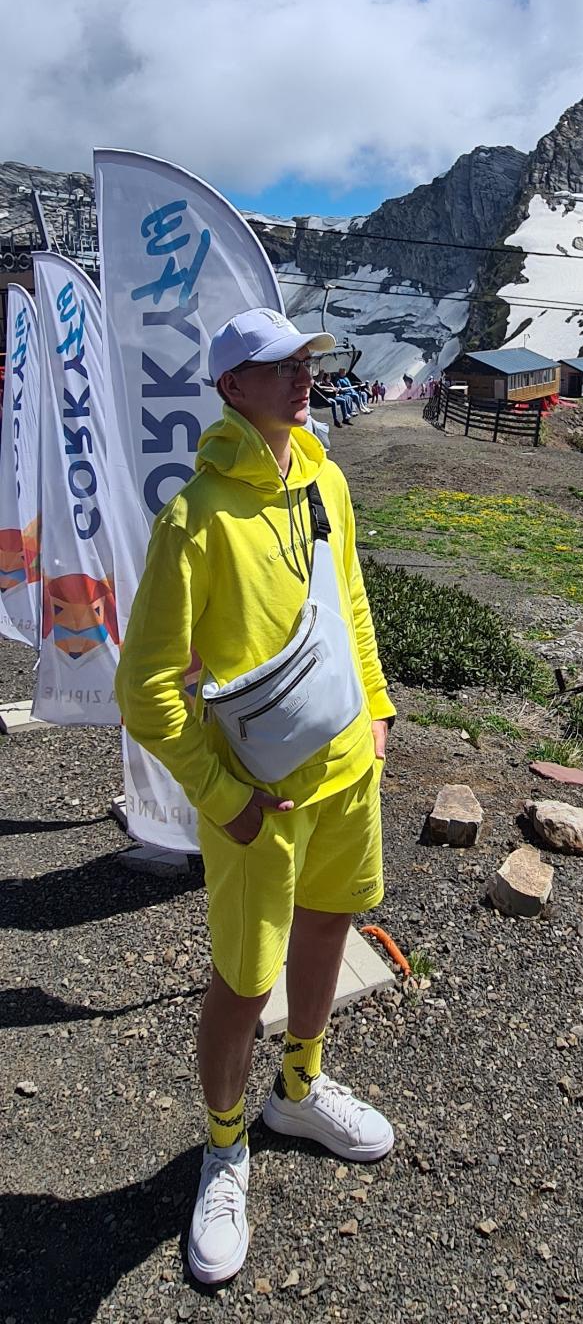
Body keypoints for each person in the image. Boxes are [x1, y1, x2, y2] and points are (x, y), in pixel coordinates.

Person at [115, 307, 397, 1288]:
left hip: (344, 776)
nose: (301, 375)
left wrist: (378, 709)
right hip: (256, 804)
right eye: (276, 365)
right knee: (242, 978)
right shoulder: (193, 518)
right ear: (230, 387)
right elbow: (144, 687)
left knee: (330, 927)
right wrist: (219, 792)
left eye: (305, 360)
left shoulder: (326, 477)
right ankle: (225, 1143)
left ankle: (301, 1085)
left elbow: (349, 598)